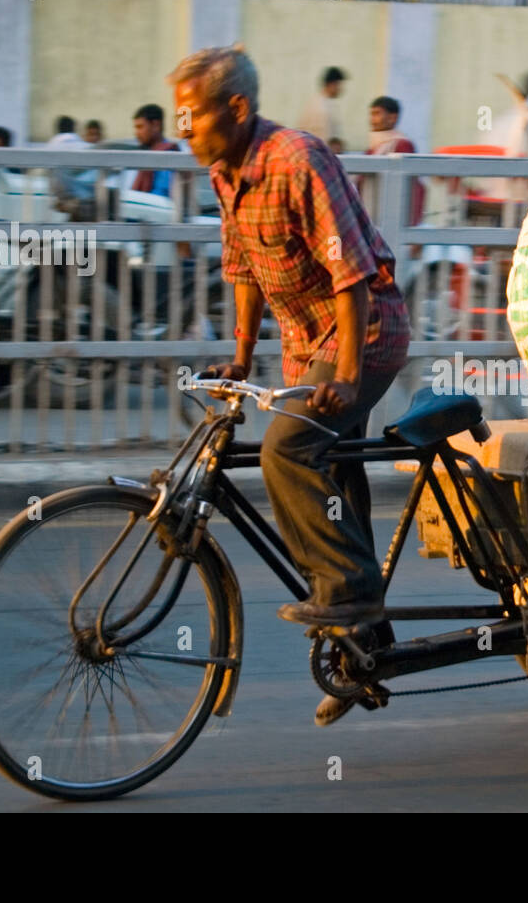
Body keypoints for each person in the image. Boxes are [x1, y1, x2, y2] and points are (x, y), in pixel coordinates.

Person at [169, 44, 411, 726]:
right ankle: (366, 648)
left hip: (365, 334)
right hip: (308, 348)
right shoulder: (226, 171)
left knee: (287, 450)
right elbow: (244, 269)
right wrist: (242, 359)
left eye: (192, 115)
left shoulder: (298, 160)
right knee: (334, 473)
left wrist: (347, 373)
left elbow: (352, 274)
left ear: (236, 108)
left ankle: (346, 596)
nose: (182, 128)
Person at [357, 95, 424, 225]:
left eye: (377, 114)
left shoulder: (402, 145)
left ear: (393, 118)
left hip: (391, 220)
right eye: (371, 114)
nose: (372, 120)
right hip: (370, 218)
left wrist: (413, 223)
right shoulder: (372, 148)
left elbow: (412, 188)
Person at [130, 104, 181, 196]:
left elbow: (162, 195)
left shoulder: (167, 154)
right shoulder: (147, 153)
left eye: (140, 127)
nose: (137, 133)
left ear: (155, 125)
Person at [297, 66, 347, 144]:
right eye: (339, 85)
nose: (341, 89)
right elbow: (324, 140)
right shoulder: (321, 107)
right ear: (332, 85)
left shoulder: (318, 102)